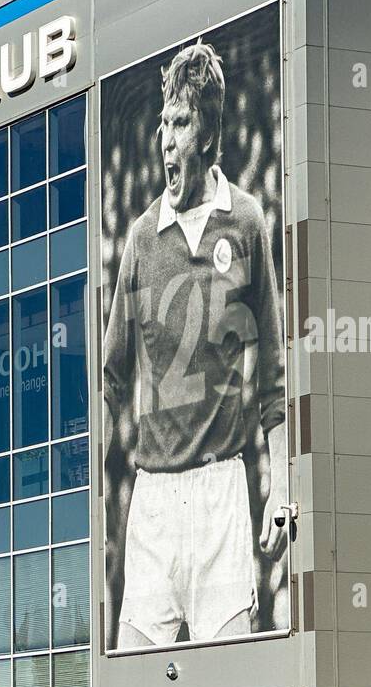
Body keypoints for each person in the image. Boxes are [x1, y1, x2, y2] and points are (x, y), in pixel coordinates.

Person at [103, 40, 286, 650]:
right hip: (153, 498)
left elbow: (276, 379)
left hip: (222, 492)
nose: (165, 137)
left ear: (207, 132)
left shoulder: (249, 223)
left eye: (179, 123)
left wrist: (281, 490)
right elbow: (110, 377)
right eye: (162, 122)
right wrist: (101, 505)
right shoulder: (138, 240)